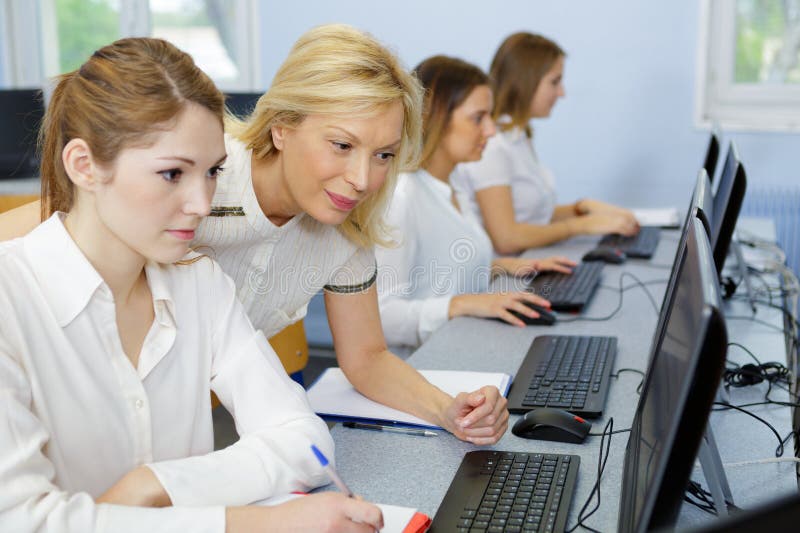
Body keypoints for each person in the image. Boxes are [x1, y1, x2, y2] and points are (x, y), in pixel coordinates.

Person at [0, 25, 508, 444]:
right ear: (281, 127)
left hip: (186, 415)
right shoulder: (202, 173)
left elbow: (367, 357)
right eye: (341, 144)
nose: (362, 178)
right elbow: (49, 227)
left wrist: (449, 411)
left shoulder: (345, 230)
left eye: (383, 155)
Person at [0, 38, 383, 532]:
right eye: (172, 173)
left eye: (212, 172)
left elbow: (302, 440)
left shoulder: (198, 283)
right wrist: (254, 524)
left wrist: (152, 484)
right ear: (83, 165)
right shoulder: (11, 300)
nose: (202, 203)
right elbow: (23, 521)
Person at [376, 55, 575, 351]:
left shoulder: (452, 183)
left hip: (464, 345)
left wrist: (506, 267)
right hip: (423, 366)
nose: (491, 131)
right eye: (478, 118)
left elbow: (436, 271)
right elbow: (380, 317)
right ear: (436, 117)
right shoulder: (402, 196)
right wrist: (463, 304)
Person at [452, 32, 640, 255]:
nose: (561, 93)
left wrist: (582, 208)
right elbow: (507, 238)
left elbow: (532, 215)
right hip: (505, 275)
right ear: (526, 82)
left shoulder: (518, 137)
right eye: (554, 82)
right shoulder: (493, 146)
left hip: (531, 260)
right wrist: (581, 226)